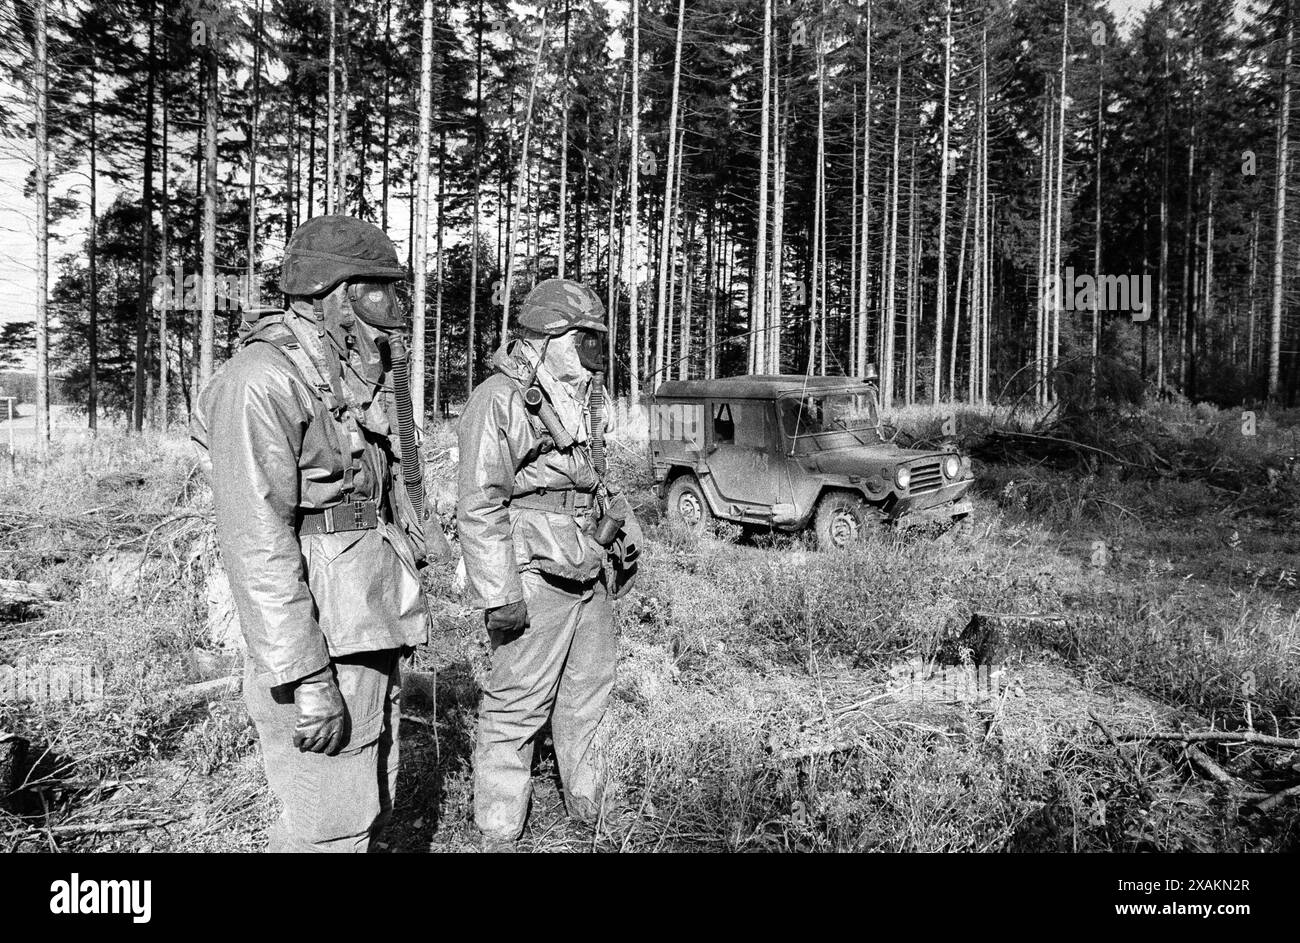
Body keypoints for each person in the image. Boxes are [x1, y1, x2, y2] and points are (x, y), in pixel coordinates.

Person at [192, 215, 433, 852]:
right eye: (379, 290)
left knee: (363, 791)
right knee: (326, 822)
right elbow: (257, 546)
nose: (396, 307)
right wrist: (309, 678)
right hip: (317, 633)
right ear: (334, 294)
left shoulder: (350, 375)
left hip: (361, 615)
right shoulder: (262, 380)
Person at [457, 277, 641, 849]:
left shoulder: (578, 399)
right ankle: (499, 826)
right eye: (583, 345)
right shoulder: (499, 399)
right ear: (544, 339)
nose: (593, 361)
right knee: (518, 701)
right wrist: (500, 593)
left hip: (588, 563)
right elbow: (480, 502)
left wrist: (622, 532)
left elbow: (593, 480)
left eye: (597, 346)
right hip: (534, 571)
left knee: (589, 691)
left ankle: (587, 802)